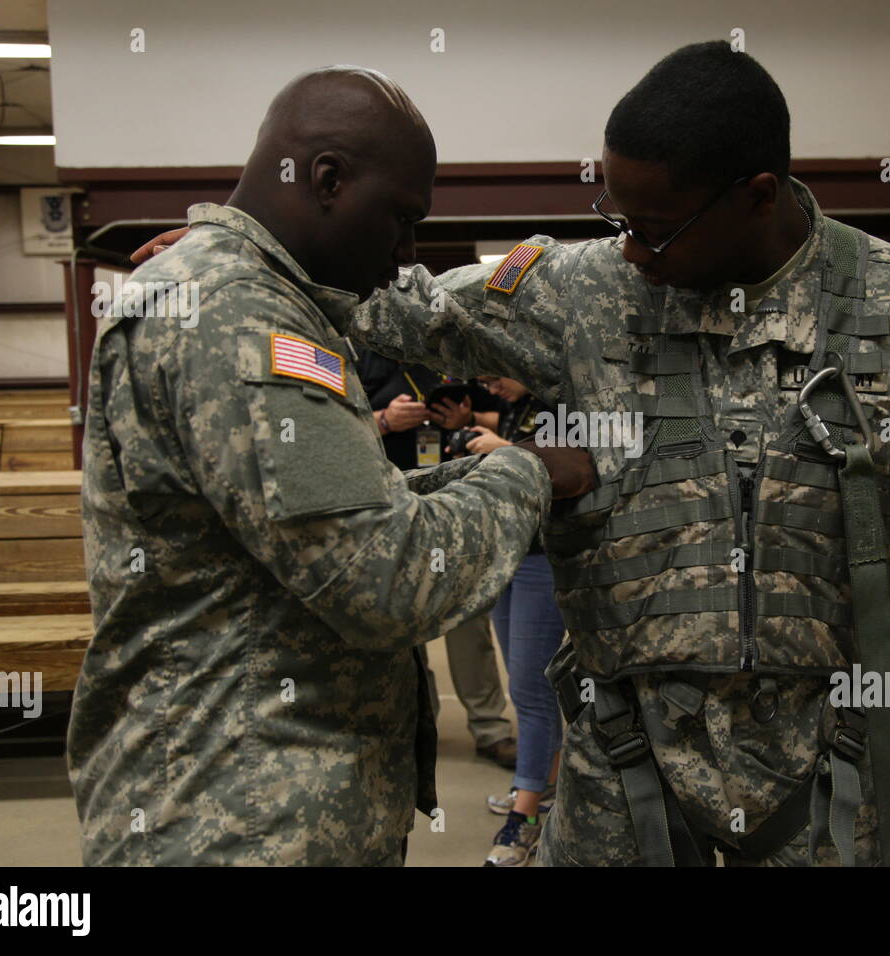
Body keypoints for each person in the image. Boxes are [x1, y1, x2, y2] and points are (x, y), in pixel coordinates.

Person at [134, 43, 890, 867]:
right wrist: (243, 264)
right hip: (623, 771)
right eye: (616, 219)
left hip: (827, 774)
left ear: (757, 196)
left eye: (655, 228)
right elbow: (389, 300)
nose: (631, 252)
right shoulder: (581, 291)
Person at [70, 66, 592, 866]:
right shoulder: (239, 312)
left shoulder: (243, 293)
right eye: (401, 217)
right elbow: (386, 577)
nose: (407, 248)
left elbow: (341, 516)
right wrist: (529, 475)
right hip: (236, 823)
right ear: (325, 179)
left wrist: (474, 473)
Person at [357, 353, 519, 768]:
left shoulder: (445, 353)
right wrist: (385, 420)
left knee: (468, 624)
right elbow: (327, 429)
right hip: (391, 512)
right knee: (404, 633)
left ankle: (490, 728)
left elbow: (506, 414)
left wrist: (465, 418)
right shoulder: (364, 358)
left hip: (454, 511)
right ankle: (415, 729)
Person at [464, 376, 567, 866]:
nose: (489, 387)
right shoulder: (519, 405)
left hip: (542, 556)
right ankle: (541, 784)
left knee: (531, 688)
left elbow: (575, 470)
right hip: (511, 552)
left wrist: (502, 449)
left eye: (493, 376)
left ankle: (525, 818)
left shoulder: (558, 401)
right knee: (522, 683)